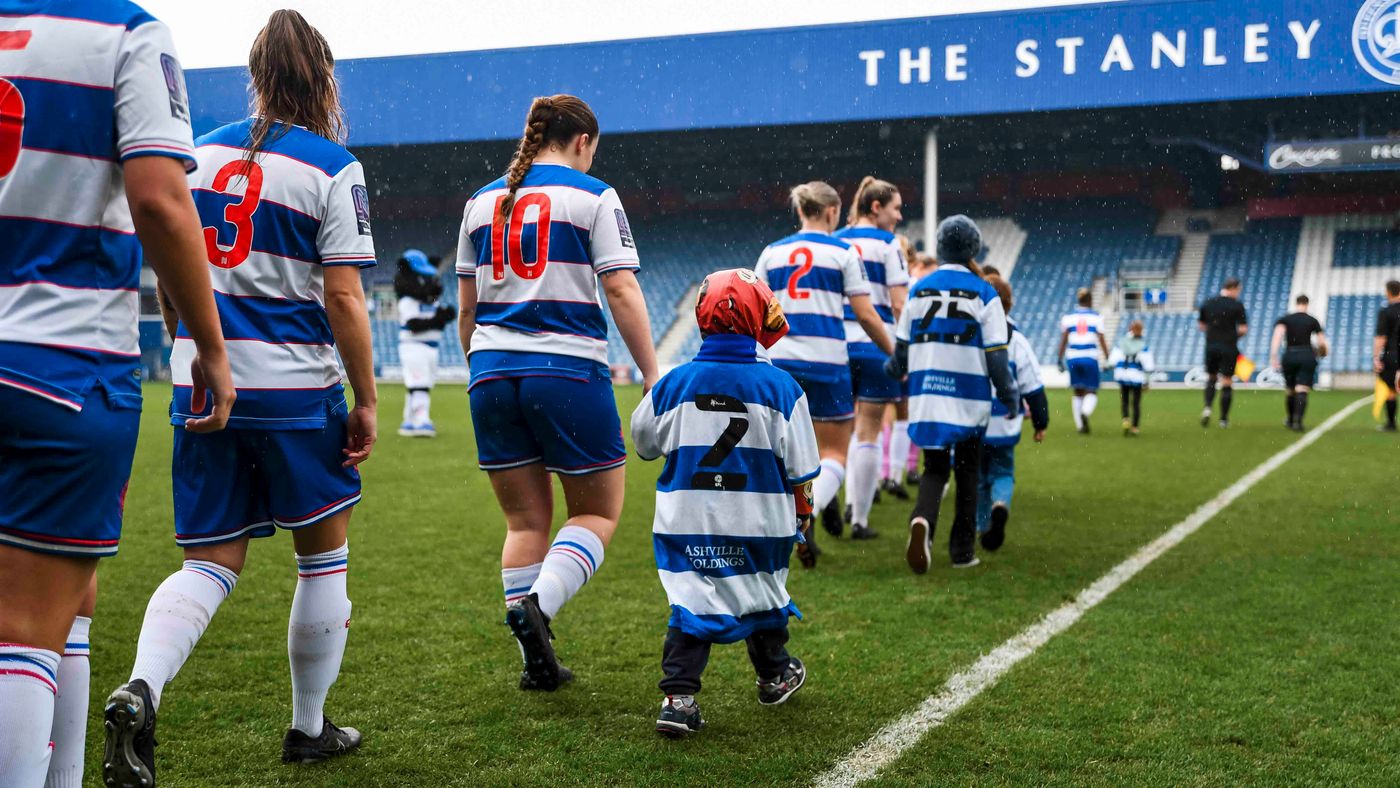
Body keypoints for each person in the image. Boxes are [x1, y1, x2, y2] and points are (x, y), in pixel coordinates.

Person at [103, 12, 378, 783]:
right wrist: (367, 399)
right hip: (296, 394)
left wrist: (191, 341)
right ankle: (307, 727)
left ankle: (141, 687)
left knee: (209, 563)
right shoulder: (333, 165)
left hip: (205, 382)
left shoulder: (198, 153)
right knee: (322, 563)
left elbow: (167, 259)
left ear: (256, 76)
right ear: (323, 78)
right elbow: (346, 300)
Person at [0, 3, 234, 786]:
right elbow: (162, 202)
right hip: (59, 361)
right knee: (28, 629)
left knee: (66, 605)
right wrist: (204, 338)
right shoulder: (125, 33)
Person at [456, 95, 659, 692]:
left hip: (490, 370)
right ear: (582, 140)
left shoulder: (479, 202)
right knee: (596, 511)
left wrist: (480, 363)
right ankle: (538, 608)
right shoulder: (594, 196)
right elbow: (619, 290)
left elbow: (467, 308)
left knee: (524, 524)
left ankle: (534, 665)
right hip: (566, 368)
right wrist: (652, 374)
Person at [631, 269, 820, 738]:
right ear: (759, 314)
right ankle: (773, 675)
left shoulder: (674, 383)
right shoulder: (782, 388)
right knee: (761, 595)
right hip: (760, 519)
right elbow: (802, 468)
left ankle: (678, 699)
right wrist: (803, 519)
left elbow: (643, 443)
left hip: (688, 519)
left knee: (692, 601)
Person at [755, 182, 893, 547]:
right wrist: (894, 351)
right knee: (834, 453)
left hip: (780, 362)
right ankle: (806, 517)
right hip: (828, 362)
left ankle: (767, 521)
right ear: (833, 212)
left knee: (783, 452)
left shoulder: (772, 252)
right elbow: (865, 315)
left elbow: (757, 311)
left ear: (800, 211)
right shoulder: (844, 252)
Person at [886, 216, 1018, 572]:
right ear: (973, 249)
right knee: (968, 472)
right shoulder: (985, 293)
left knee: (934, 469)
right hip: (968, 394)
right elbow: (996, 355)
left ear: (941, 248)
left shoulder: (919, 289)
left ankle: (922, 522)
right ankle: (961, 550)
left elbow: (901, 350)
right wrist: (1009, 394)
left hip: (927, 392)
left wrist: (893, 370)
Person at [834, 177, 909, 539]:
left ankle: (828, 499)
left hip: (834, 348)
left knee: (834, 434)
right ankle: (859, 519)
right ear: (876, 207)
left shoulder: (834, 241)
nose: (898, 215)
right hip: (877, 345)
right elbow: (898, 303)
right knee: (869, 432)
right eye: (895, 208)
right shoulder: (888, 243)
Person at [977, 275, 1049, 552]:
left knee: (978, 476)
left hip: (976, 419)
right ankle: (1000, 506)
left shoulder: (972, 336)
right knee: (1003, 471)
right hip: (1006, 420)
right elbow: (1033, 385)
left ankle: (982, 526)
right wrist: (1041, 422)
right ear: (1009, 304)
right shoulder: (1017, 340)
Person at [395, 249, 456, 437]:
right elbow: (413, 324)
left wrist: (443, 316)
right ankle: (421, 420)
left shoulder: (430, 301)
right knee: (419, 384)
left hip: (431, 347)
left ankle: (410, 420)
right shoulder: (407, 301)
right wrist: (438, 320)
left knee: (422, 383)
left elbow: (442, 314)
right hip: (413, 346)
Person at [1271, 295, 1327, 432]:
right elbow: (1322, 343)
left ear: (1296, 304)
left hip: (1290, 354)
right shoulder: (1312, 320)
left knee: (1290, 390)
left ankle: (1290, 419)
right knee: (1302, 389)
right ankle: (1298, 421)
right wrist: (1323, 352)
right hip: (1306, 354)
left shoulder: (1285, 319)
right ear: (1307, 304)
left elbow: (1277, 337)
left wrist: (1273, 356)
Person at [1198, 278, 1248, 428]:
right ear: (1233, 288)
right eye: (1238, 290)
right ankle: (1223, 419)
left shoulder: (1208, 303)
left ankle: (1207, 407)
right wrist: (1231, 336)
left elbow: (1201, 325)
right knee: (1227, 381)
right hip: (1228, 347)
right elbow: (1243, 329)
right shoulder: (1237, 305)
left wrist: (1214, 332)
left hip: (1211, 346)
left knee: (1211, 377)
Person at [1057, 288, 1108, 434]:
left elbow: (1063, 339)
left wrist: (1059, 359)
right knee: (1091, 390)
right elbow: (1102, 339)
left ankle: (1080, 426)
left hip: (1072, 356)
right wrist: (1107, 357)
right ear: (1090, 301)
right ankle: (1085, 412)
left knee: (1077, 391)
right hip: (1089, 356)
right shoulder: (1097, 317)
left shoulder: (1068, 317)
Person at [1109, 320, 1156, 436]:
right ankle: (1135, 427)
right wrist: (1147, 381)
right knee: (1136, 403)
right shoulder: (1142, 345)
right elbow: (1149, 365)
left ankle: (1125, 419)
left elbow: (1112, 361)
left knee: (1124, 400)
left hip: (1123, 374)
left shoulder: (1121, 343)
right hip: (1136, 376)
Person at [1373, 281, 1400, 432]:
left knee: (1391, 390)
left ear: (1388, 292)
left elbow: (1381, 337)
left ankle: (1391, 423)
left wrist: (1375, 357)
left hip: (1392, 354)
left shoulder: (1386, 311)